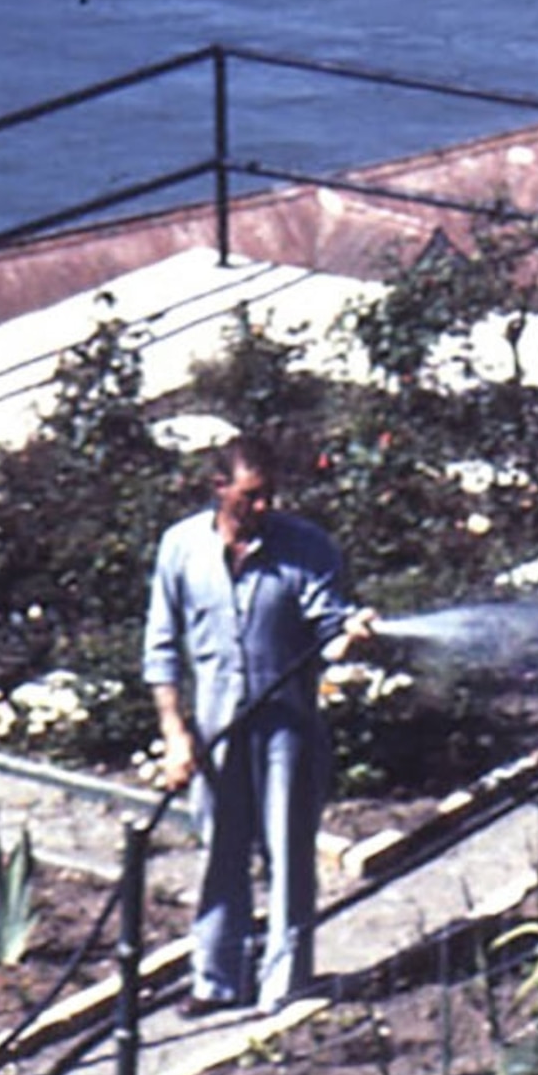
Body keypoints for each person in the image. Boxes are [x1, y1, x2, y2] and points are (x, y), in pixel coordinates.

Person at [141, 433, 375, 1013]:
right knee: (220, 849)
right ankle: (215, 980)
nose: (265, 508)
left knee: (288, 849)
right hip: (215, 726)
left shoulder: (308, 548)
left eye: (271, 495)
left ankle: (284, 983)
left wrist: (348, 635)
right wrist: (176, 734)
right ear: (219, 489)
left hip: (287, 728)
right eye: (252, 496)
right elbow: (162, 647)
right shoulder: (181, 549)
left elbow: (327, 624)